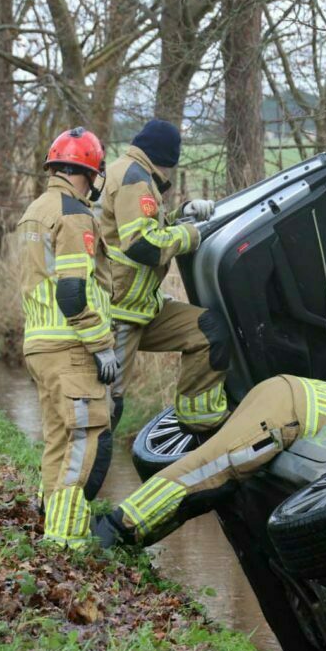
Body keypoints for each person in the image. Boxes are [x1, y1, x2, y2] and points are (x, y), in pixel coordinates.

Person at [93, 375, 326, 547]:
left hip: (281, 390)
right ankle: (112, 528)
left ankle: (129, 540)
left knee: (211, 489)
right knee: (204, 472)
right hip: (286, 414)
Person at [99, 119, 230, 434]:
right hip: (121, 310)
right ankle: (86, 479)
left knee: (207, 330)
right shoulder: (134, 179)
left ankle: (200, 423)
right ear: (166, 158)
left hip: (142, 306)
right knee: (107, 405)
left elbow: (141, 228)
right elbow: (141, 245)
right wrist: (190, 236)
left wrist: (183, 214)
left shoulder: (129, 170)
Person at [18, 127, 116, 549]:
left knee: (58, 440)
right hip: (72, 347)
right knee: (83, 444)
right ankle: (63, 543)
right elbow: (73, 292)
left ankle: (48, 526)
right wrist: (102, 344)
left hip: (39, 346)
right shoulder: (74, 214)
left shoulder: (35, 210)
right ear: (90, 172)